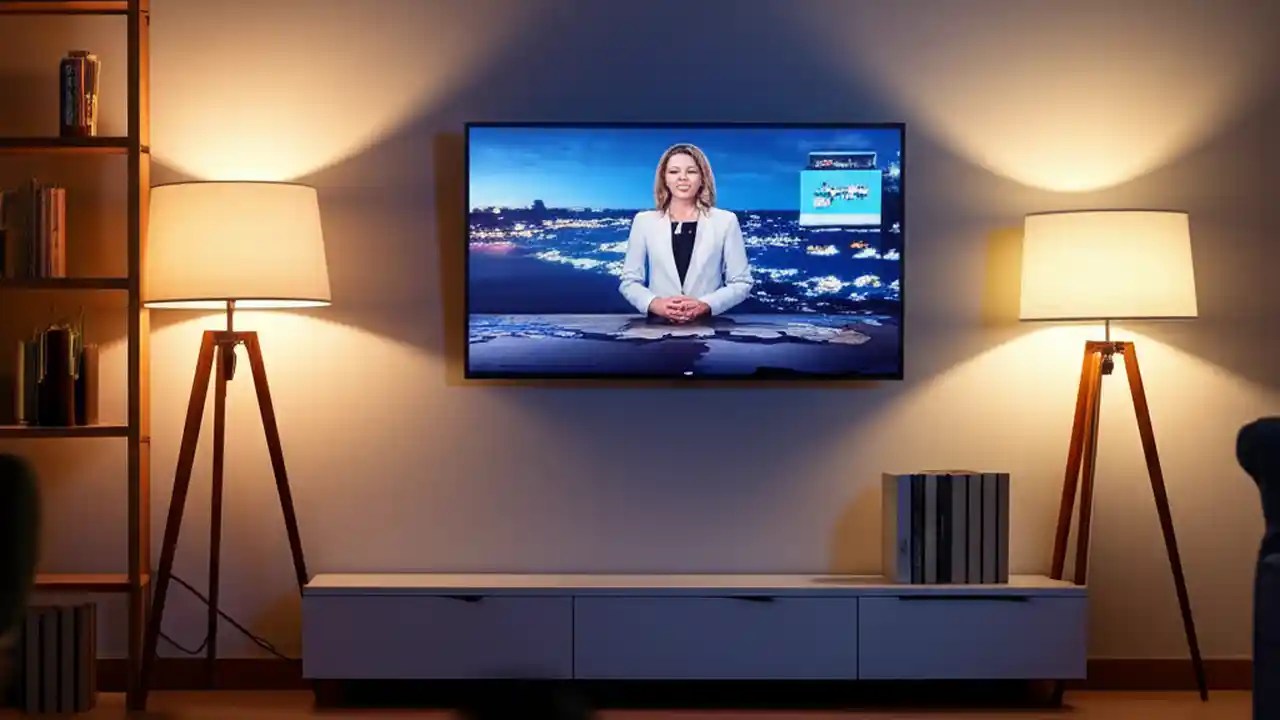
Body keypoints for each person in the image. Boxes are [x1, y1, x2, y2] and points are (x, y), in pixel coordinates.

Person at [618, 143, 753, 322]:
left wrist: (705, 304)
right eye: (674, 172)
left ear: (702, 178)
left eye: (691, 171)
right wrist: (655, 304)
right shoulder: (644, 221)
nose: (682, 178)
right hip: (657, 331)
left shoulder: (725, 221)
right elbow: (629, 282)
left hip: (708, 332)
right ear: (664, 178)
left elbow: (741, 282)